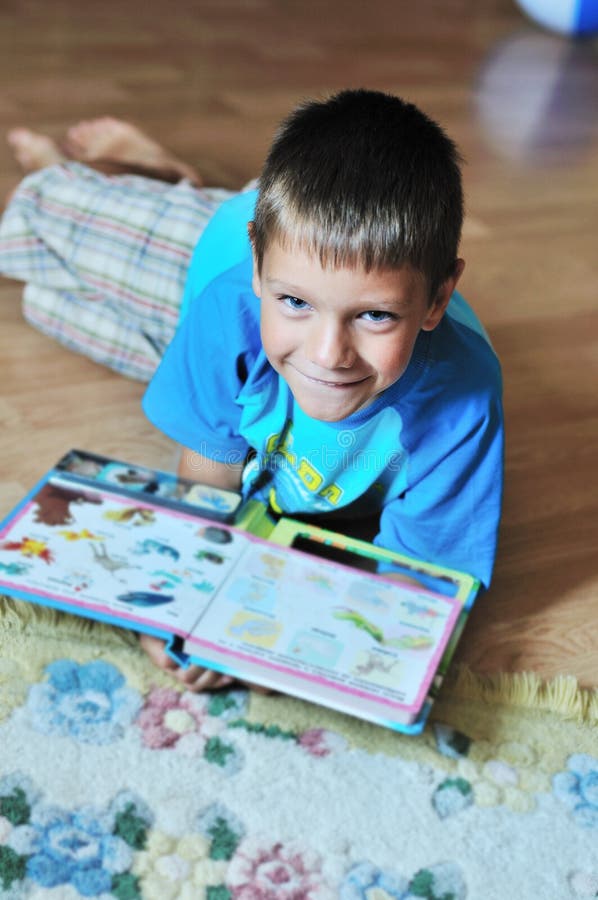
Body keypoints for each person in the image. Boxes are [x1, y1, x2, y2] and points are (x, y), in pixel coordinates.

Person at [0, 90, 504, 693]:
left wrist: (279, 647)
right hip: (208, 261)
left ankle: (186, 182)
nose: (328, 355)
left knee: (46, 302)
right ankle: (151, 178)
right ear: (261, 266)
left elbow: (418, 591)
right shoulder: (234, 301)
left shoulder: (462, 404)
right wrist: (179, 601)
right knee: (35, 213)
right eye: (295, 301)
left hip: (241, 339)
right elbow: (206, 484)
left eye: (375, 316)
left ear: (438, 299)